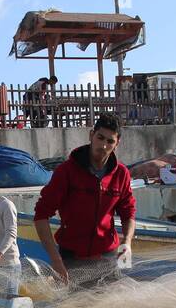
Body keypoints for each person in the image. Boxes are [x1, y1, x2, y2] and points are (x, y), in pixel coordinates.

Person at [33, 114, 136, 289]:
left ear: (117, 143)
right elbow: (41, 216)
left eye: (110, 141)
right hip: (72, 259)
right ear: (91, 135)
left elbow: (128, 212)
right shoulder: (66, 171)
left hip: (108, 258)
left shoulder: (121, 174)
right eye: (100, 138)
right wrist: (56, 260)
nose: (103, 146)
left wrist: (127, 243)